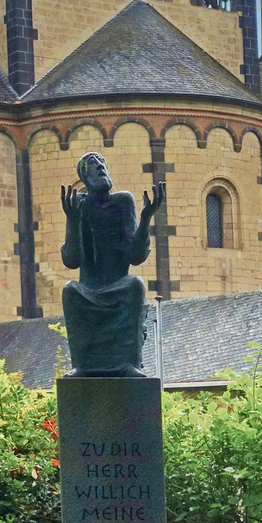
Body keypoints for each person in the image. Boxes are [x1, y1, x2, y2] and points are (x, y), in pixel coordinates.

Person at [60, 151, 164, 376]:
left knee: (135, 284)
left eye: (101, 162)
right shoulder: (79, 205)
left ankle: (131, 364)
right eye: (92, 164)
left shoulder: (123, 201)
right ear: (85, 179)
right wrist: (73, 220)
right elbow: (72, 259)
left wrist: (146, 218)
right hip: (88, 290)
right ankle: (81, 366)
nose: (99, 166)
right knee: (70, 291)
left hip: (119, 287)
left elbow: (135, 256)